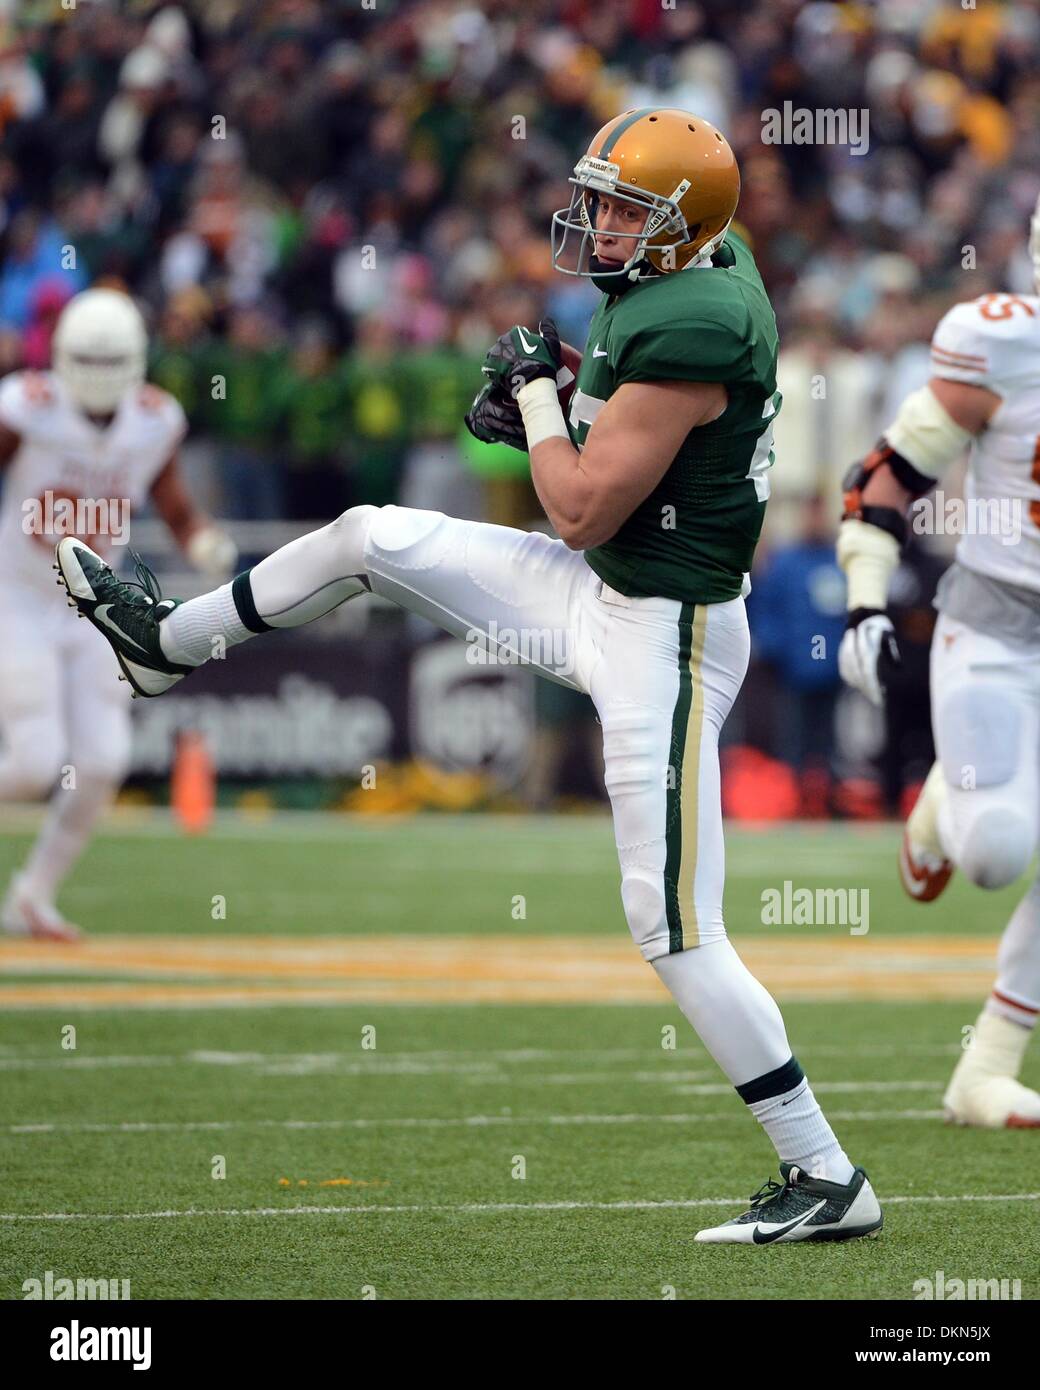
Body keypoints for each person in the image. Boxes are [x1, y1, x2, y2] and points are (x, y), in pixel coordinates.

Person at [56, 110, 882, 1243]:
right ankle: (169, 645)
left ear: (678, 231)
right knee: (368, 536)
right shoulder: (699, 258)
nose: (592, 223)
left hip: (666, 629)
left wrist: (540, 409)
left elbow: (583, 505)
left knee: (673, 925)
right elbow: (605, 460)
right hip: (606, 592)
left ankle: (826, 1173)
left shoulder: (699, 313)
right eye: (595, 199)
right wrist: (551, 408)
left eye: (619, 209)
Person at [837, 196, 1040, 1129]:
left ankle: (985, 1067)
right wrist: (867, 596)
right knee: (997, 853)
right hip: (998, 625)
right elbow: (888, 473)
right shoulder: (1003, 344)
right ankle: (938, 811)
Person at [0, 287, 235, 939]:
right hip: (18, 594)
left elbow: (176, 507)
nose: (101, 378)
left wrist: (204, 543)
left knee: (103, 760)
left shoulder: (154, 421)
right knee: (31, 764)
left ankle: (32, 896)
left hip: (95, 602)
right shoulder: (27, 408)